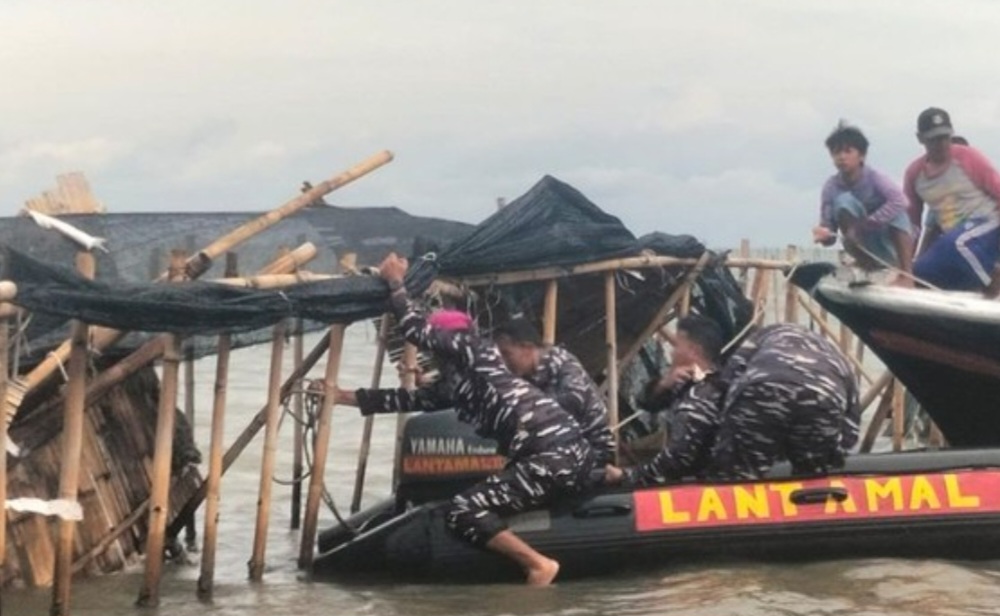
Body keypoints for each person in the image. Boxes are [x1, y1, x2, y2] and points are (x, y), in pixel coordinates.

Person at [337, 253, 596, 586]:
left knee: (463, 509)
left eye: (437, 346)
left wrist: (395, 283)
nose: (432, 352)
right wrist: (341, 396)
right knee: (472, 497)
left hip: (551, 455)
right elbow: (406, 399)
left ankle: (538, 565)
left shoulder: (475, 347)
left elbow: (418, 332)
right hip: (559, 456)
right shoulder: (461, 382)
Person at [709, 323, 861, 480]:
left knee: (740, 473)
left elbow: (726, 381)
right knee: (813, 477)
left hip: (762, 388)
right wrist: (833, 454)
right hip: (823, 397)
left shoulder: (758, 337)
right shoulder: (838, 358)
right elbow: (851, 425)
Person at [604, 315, 727, 486]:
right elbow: (645, 402)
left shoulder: (700, 397)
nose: (672, 352)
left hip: (700, 490)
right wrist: (664, 384)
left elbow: (676, 460)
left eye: (677, 346)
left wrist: (626, 475)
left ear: (694, 351)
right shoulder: (701, 381)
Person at [492, 317, 615, 465]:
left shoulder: (561, 361)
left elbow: (574, 399)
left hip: (592, 450)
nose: (503, 362)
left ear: (527, 348)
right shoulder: (520, 380)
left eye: (507, 354)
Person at [903, 107, 1000, 294]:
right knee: (920, 272)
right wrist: (906, 267)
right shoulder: (914, 174)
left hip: (988, 225)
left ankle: (994, 282)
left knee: (956, 243)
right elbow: (912, 225)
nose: (941, 144)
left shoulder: (967, 157)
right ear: (920, 138)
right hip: (955, 239)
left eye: (944, 137)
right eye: (933, 139)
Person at [813, 122, 914, 284]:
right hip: (859, 242)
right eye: (836, 152)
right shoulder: (831, 187)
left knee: (898, 214)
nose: (842, 157)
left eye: (848, 151)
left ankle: (906, 274)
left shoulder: (875, 178)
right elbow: (829, 234)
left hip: (887, 242)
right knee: (843, 202)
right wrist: (823, 234)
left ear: (861, 155)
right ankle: (866, 263)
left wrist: (867, 224)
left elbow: (901, 201)